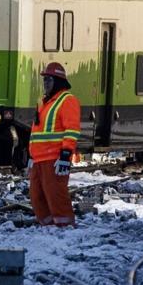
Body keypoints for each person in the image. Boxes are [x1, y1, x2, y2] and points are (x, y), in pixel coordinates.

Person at [28, 62, 81, 228]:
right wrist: (31, 156)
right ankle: (48, 226)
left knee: (56, 194)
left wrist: (65, 155)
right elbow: (36, 131)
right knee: (37, 196)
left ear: (58, 82)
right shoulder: (44, 103)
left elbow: (71, 130)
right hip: (39, 158)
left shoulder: (67, 101)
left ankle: (65, 226)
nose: (45, 84)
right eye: (44, 80)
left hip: (54, 158)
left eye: (48, 80)